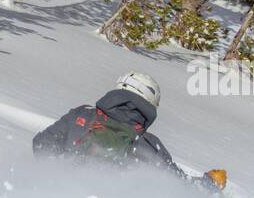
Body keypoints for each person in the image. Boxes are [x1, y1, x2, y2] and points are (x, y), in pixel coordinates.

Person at [32, 71, 226, 190]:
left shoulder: (81, 114)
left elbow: (41, 143)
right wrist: (209, 183)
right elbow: (178, 184)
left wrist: (60, 171)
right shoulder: (147, 144)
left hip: (55, 197)